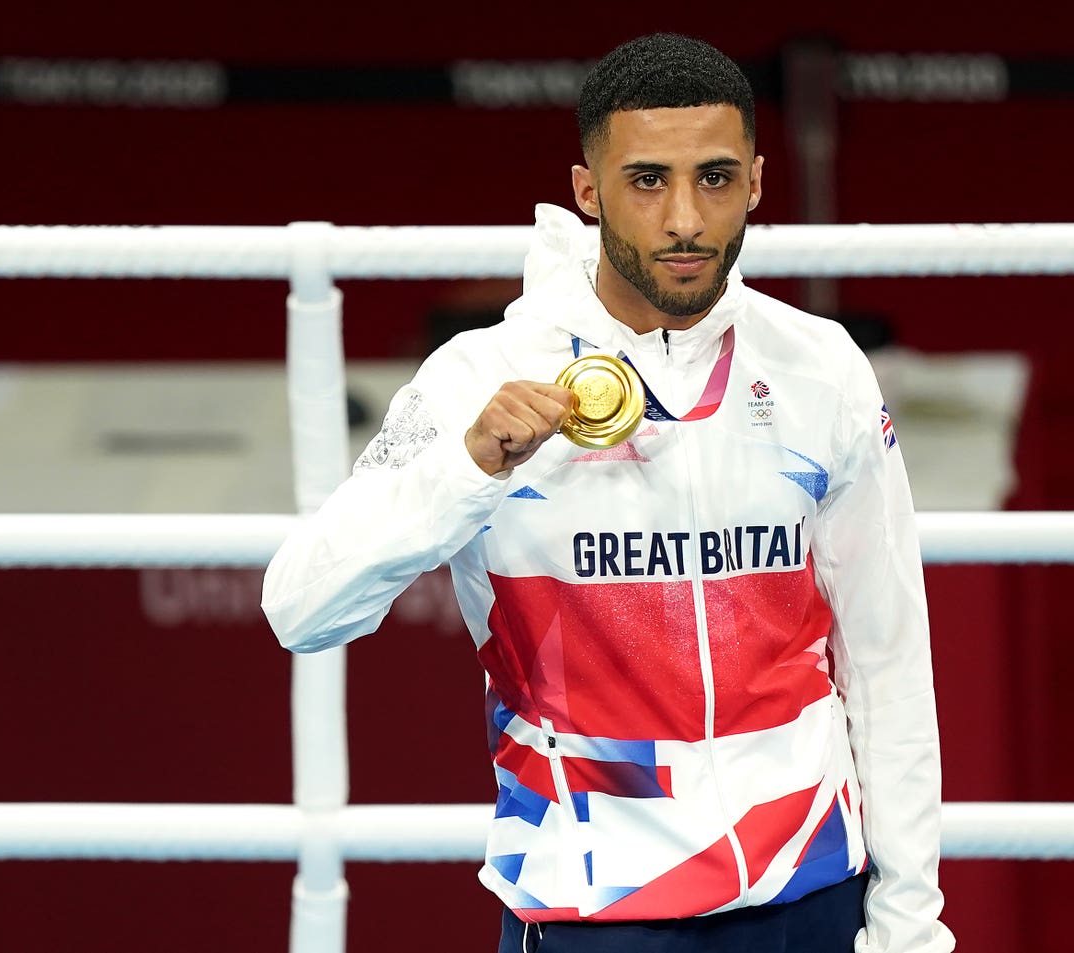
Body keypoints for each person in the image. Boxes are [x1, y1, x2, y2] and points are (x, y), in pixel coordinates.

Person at [263, 32, 954, 953]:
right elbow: (301, 607)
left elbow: (888, 656)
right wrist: (466, 471)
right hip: (592, 912)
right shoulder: (481, 376)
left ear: (755, 182)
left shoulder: (819, 366)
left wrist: (911, 923)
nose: (684, 219)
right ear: (588, 192)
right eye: (647, 181)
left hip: (812, 895)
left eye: (714, 178)